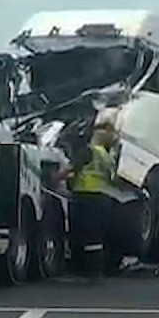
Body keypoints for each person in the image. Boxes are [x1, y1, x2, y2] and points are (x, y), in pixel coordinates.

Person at [63, 121, 120, 282]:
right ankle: (97, 271)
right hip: (103, 198)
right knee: (96, 238)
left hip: (87, 197)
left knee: (85, 236)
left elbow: (71, 168)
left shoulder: (88, 152)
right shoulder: (105, 155)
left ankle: (89, 272)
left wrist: (54, 178)